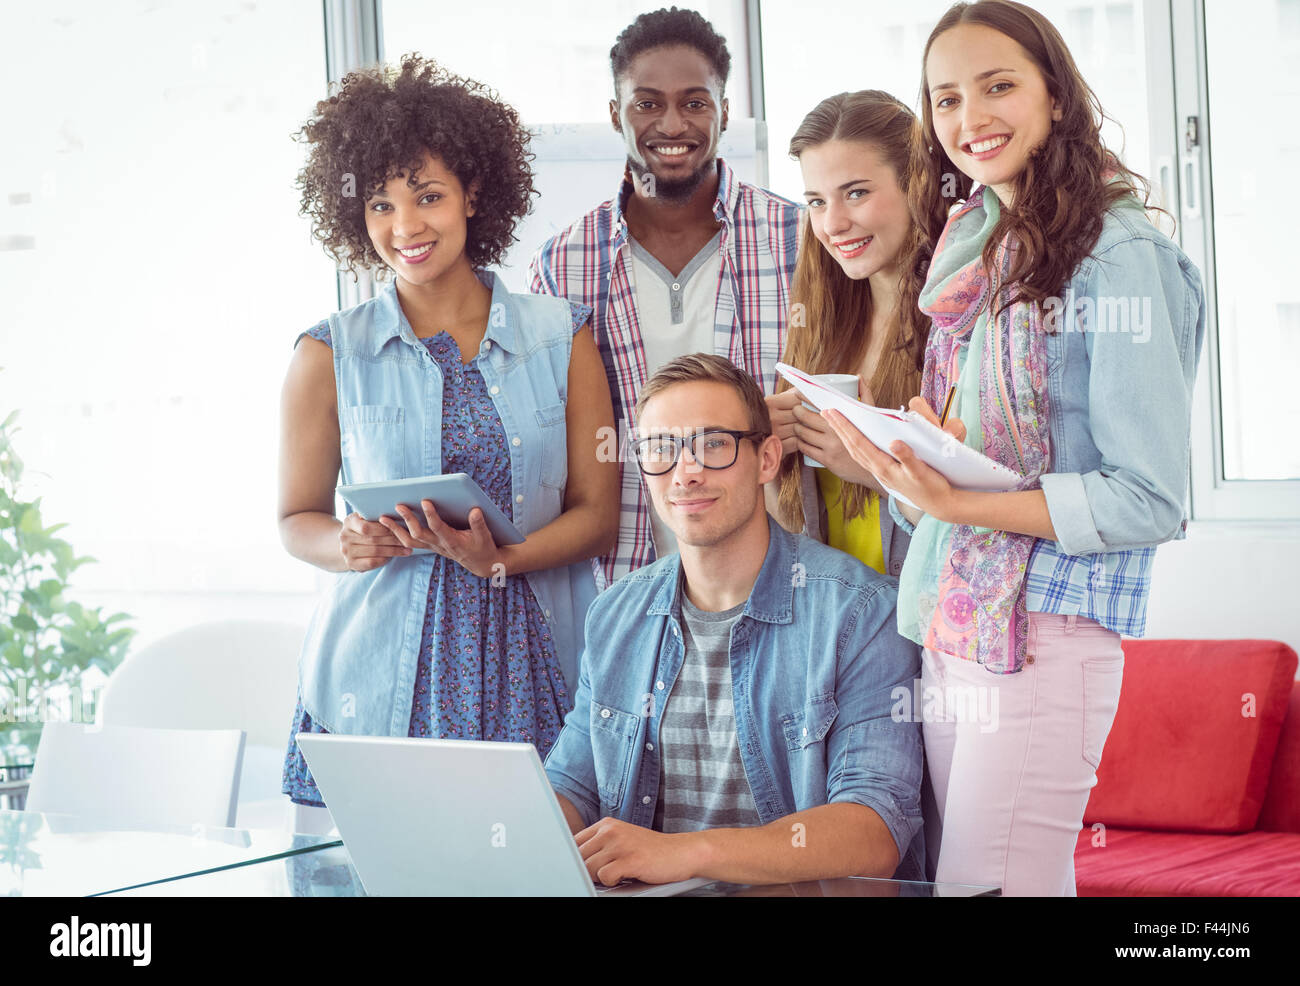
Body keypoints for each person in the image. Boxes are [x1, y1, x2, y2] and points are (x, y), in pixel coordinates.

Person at [823, 0, 1206, 895]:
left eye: (998, 87)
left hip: (1047, 633)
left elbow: (1146, 497)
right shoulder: (986, 253)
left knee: (990, 886)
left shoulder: (1116, 257)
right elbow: (982, 476)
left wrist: (961, 500)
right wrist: (920, 466)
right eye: (946, 98)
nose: (969, 118)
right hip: (958, 621)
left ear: (1057, 99)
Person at [278, 55, 617, 808]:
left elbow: (598, 516)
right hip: (381, 671)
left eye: (427, 196)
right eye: (379, 206)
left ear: (473, 192)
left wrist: (501, 558)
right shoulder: (326, 354)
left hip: (535, 659)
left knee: (539, 866)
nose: (406, 228)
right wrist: (346, 543)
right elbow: (295, 520)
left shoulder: (564, 338)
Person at [542, 353, 924, 887]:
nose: (687, 471)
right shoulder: (615, 615)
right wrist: (515, 835)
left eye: (714, 444)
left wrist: (685, 853)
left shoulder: (861, 613)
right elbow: (571, 786)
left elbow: (875, 829)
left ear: (767, 459)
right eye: (661, 450)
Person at [529, 7, 801, 590]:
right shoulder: (563, 265)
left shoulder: (799, 239)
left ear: (725, 112)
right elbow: (553, 446)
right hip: (630, 584)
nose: (672, 124)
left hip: (784, 580)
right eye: (648, 103)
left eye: (695, 102)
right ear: (615, 114)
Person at [765, 91, 948, 579]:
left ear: (918, 185)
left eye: (856, 193)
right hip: (837, 629)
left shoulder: (958, 330)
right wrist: (763, 447)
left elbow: (989, 519)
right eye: (817, 201)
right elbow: (795, 518)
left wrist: (871, 469)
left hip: (925, 635)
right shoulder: (822, 327)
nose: (833, 223)